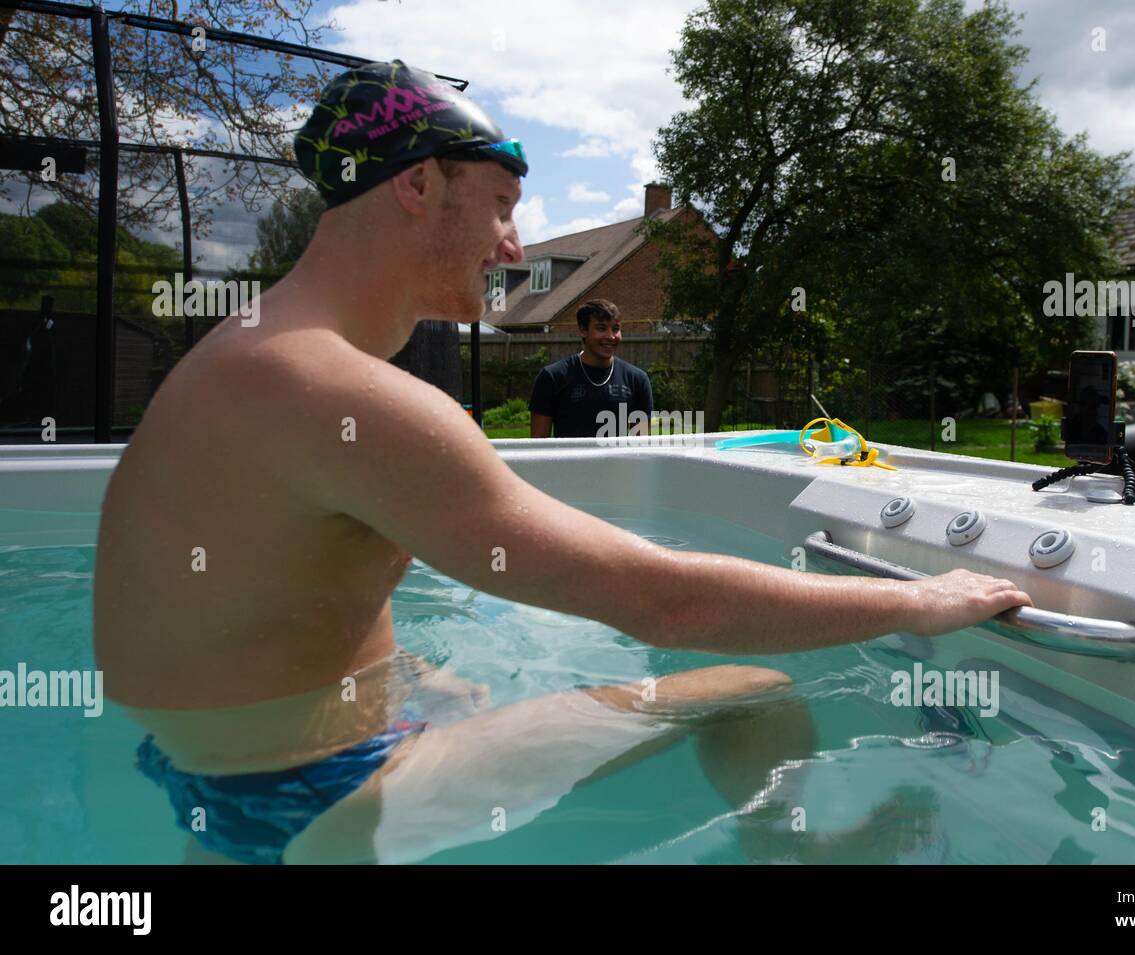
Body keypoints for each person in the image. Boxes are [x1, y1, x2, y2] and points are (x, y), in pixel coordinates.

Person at [93, 60, 1031, 865]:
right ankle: (798, 851)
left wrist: (402, 666)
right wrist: (923, 598)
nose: (512, 245)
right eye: (502, 207)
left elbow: (254, 589)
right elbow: (668, 603)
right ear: (418, 185)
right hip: (322, 790)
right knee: (755, 695)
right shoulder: (346, 395)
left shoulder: (241, 354)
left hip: (219, 779)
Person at [528, 299, 653, 438]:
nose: (611, 336)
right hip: (570, 460)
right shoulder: (552, 377)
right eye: (601, 328)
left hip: (617, 461)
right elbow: (538, 445)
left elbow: (641, 448)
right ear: (583, 330)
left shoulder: (637, 380)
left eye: (616, 329)